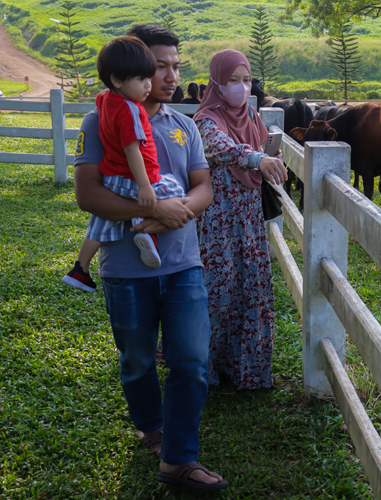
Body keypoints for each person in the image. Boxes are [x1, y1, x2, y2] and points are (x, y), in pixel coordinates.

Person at [73, 24, 227, 490]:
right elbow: (87, 195)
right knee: (137, 361)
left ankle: (178, 458)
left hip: (184, 265)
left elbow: (204, 187)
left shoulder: (184, 127)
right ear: (130, 70)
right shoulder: (97, 122)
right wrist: (152, 208)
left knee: (190, 360)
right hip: (125, 269)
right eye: (160, 66)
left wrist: (172, 215)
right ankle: (151, 426)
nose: (170, 75)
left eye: (176, 66)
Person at [193, 49, 287, 389]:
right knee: (217, 293)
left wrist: (269, 156)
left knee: (251, 292)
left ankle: (246, 370)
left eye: (247, 80)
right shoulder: (206, 120)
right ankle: (204, 369)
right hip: (219, 225)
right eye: (233, 80)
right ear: (216, 81)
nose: (242, 87)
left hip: (248, 223)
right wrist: (257, 158)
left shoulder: (250, 118)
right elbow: (221, 148)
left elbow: (263, 147)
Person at [62, 36, 186, 292]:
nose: (148, 85)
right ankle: (148, 235)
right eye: (141, 79)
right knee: (173, 190)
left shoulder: (105, 100)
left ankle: (80, 268)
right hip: (133, 177)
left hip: (113, 177)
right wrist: (145, 185)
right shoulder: (131, 110)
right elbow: (133, 150)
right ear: (117, 80)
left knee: (101, 224)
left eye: (148, 78)